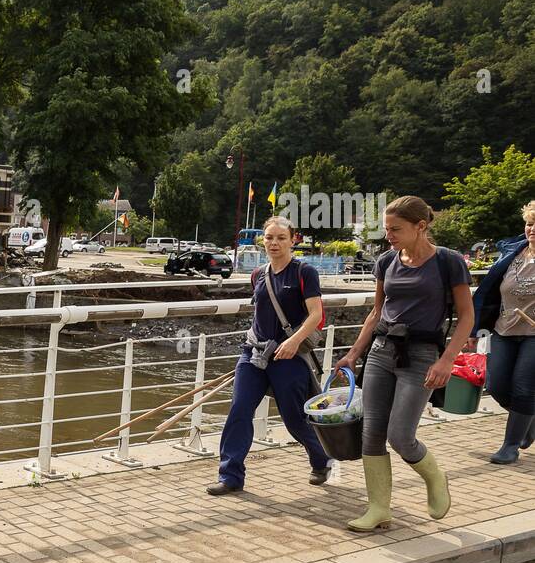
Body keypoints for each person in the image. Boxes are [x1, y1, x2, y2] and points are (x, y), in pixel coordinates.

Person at [335, 196, 474, 531]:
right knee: (371, 433)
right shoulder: (385, 261)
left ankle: (436, 477)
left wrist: (446, 361)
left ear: (420, 226)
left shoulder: (449, 262)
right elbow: (376, 312)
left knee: (400, 435)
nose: (389, 236)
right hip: (382, 351)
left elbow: (468, 316)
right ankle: (379, 508)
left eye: (395, 229)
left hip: (423, 355)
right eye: (386, 229)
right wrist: (353, 354)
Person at [208, 216, 333, 496]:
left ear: (293, 240)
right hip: (254, 353)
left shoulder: (304, 272)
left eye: (280, 238)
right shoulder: (258, 274)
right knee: (239, 410)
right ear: (262, 241)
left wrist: (292, 342)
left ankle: (321, 458)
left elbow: (316, 315)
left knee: (294, 419)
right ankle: (230, 475)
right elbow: (260, 314)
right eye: (269, 238)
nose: (274, 243)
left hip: (288, 356)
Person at [468, 200, 535, 463]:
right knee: (495, 385)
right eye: (530, 224)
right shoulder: (513, 253)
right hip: (504, 329)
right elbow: (489, 293)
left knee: (524, 387)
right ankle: (528, 417)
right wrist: (475, 328)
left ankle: (510, 446)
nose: (532, 229)